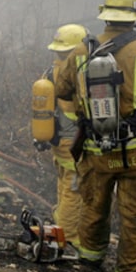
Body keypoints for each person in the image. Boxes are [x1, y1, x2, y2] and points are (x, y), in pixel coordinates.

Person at [54, 0, 136, 272]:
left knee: (94, 208)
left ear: (105, 15)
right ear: (134, 18)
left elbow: (60, 90)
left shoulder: (81, 51)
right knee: (135, 218)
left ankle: (90, 262)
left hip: (96, 151)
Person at [34, 23, 89, 249]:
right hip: (73, 144)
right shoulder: (78, 74)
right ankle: (67, 239)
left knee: (63, 185)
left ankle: (59, 229)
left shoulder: (49, 73)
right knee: (73, 193)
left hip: (57, 143)